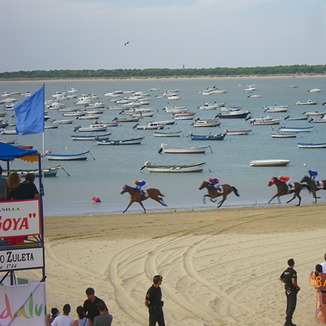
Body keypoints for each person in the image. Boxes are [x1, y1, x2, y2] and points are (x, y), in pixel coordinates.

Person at [279, 258, 300, 326]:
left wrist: (286, 283)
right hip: (292, 289)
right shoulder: (293, 272)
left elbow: (280, 278)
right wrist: (297, 287)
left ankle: (288, 321)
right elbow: (293, 281)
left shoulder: (285, 271)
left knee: (289, 304)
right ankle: (288, 321)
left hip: (287, 288)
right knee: (292, 305)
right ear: (293, 264)